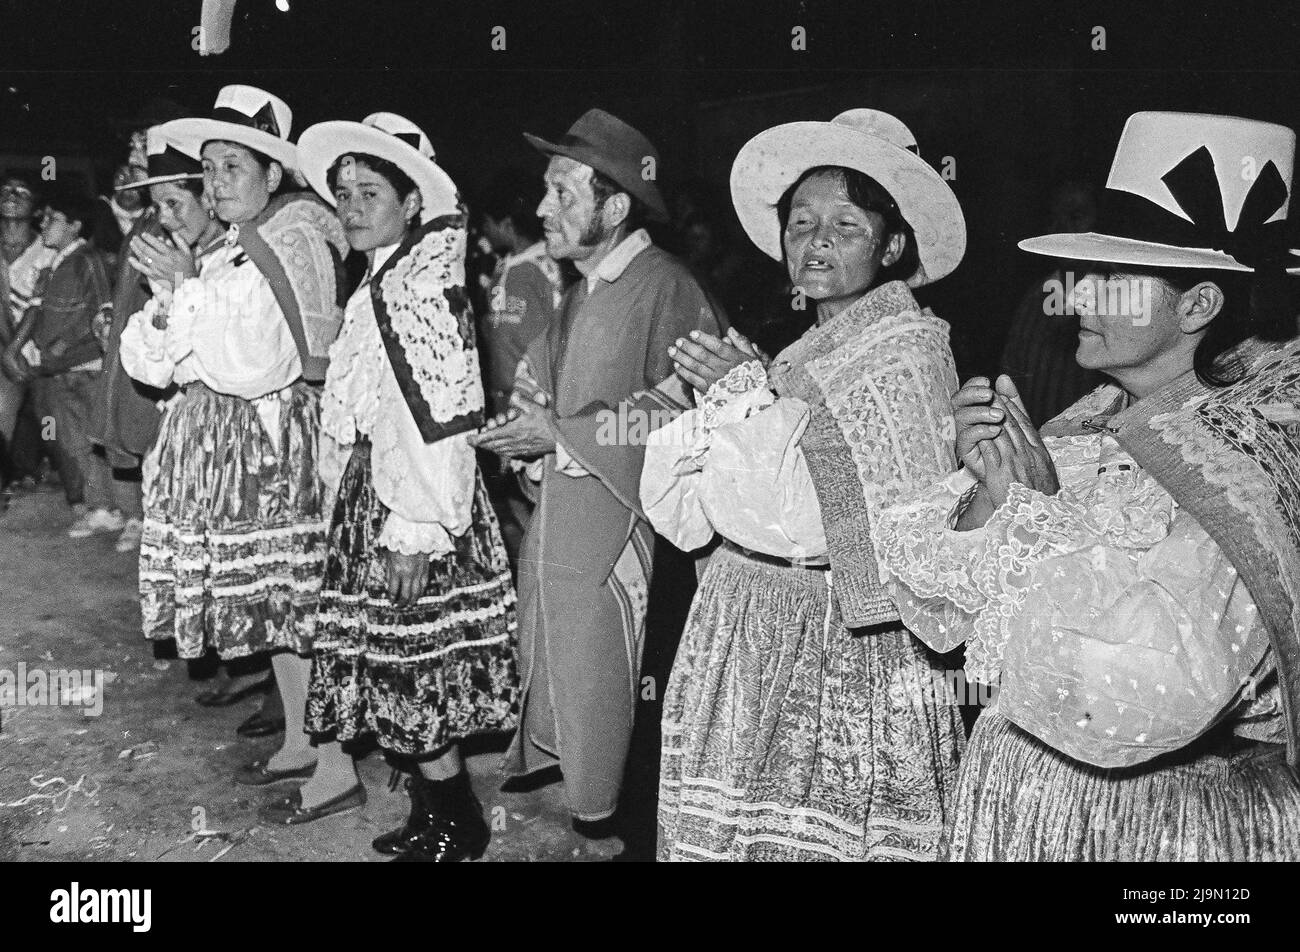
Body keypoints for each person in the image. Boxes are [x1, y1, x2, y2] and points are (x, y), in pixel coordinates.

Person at [874, 111, 1300, 860]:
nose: (1076, 299)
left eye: (1111, 280)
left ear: (1198, 305)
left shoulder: (1245, 459)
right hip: (1025, 802)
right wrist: (992, 492)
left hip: (1162, 827)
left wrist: (1039, 515)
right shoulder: (1095, 418)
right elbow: (941, 614)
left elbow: (1145, 695)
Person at [641, 109, 969, 861]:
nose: (813, 241)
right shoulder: (803, 349)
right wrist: (739, 398)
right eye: (800, 221)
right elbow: (694, 512)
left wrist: (743, 400)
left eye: (844, 226)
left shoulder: (904, 352)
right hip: (749, 622)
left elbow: (814, 525)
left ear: (892, 245)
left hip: (831, 647)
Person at [259, 113, 519, 858]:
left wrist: (413, 532)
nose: (350, 205)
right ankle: (436, 815)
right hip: (377, 495)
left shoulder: (420, 291)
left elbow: (437, 426)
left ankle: (457, 824)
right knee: (399, 669)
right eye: (341, 191)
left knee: (416, 671)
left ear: (413, 204)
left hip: (413, 505)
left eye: (369, 191)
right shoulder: (385, 278)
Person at [471, 108, 724, 828]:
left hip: (636, 550)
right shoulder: (584, 288)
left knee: (636, 714)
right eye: (546, 192)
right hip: (571, 532)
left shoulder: (666, 286)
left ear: (614, 207)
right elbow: (543, 387)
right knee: (579, 694)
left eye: (562, 193)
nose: (542, 209)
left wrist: (564, 434)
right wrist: (531, 434)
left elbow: (690, 410)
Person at [119, 85, 347, 785]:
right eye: (210, 168)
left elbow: (255, 363)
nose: (216, 185)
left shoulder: (291, 238)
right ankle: (303, 736)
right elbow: (154, 364)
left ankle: (337, 764)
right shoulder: (224, 248)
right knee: (272, 606)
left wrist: (185, 293)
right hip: (223, 442)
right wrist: (171, 303)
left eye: (233, 169)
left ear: (272, 175)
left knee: (299, 603)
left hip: (271, 444)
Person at [93, 127, 213, 554]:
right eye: (133, 143)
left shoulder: (199, 235)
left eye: (142, 142)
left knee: (149, 429)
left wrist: (180, 285)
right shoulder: (148, 218)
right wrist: (112, 313)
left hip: (186, 373)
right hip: (142, 341)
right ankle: (141, 516)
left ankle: (147, 517)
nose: (134, 150)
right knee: (132, 427)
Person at [3, 188, 118, 535]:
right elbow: (39, 313)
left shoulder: (86, 260)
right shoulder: (52, 266)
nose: (44, 223)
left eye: (53, 218)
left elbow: (103, 310)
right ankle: (89, 503)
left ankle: (108, 508)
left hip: (84, 370)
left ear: (74, 226)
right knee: (68, 440)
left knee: (90, 439)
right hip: (58, 371)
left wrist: (66, 341)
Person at [477, 166, 564, 566]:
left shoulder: (539, 269)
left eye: (488, 225)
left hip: (530, 406)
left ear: (507, 224)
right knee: (514, 501)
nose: (484, 235)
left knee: (535, 505)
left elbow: (544, 344)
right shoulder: (508, 266)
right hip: (504, 405)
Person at [997, 180, 1105, 425]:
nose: (1062, 229)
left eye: (1076, 216)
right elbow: (1010, 377)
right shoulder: (1035, 299)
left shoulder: (1113, 307)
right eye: (1055, 218)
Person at [0, 172, 56, 488]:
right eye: (6, 189)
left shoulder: (47, 247)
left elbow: (41, 307)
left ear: (36, 208)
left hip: (42, 349)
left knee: (54, 425)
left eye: (22, 190)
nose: (12, 193)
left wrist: (16, 350)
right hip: (2, 345)